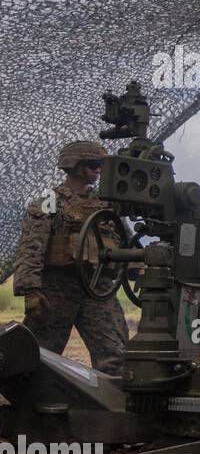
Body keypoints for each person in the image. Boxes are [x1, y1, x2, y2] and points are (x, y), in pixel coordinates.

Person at [11, 141, 128, 374]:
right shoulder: (50, 200)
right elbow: (31, 246)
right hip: (56, 288)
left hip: (97, 288)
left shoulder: (105, 204)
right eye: (92, 165)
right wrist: (30, 290)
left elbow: (124, 242)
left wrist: (140, 270)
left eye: (99, 166)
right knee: (40, 355)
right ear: (73, 165)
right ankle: (35, 406)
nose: (98, 170)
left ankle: (112, 407)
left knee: (115, 354)